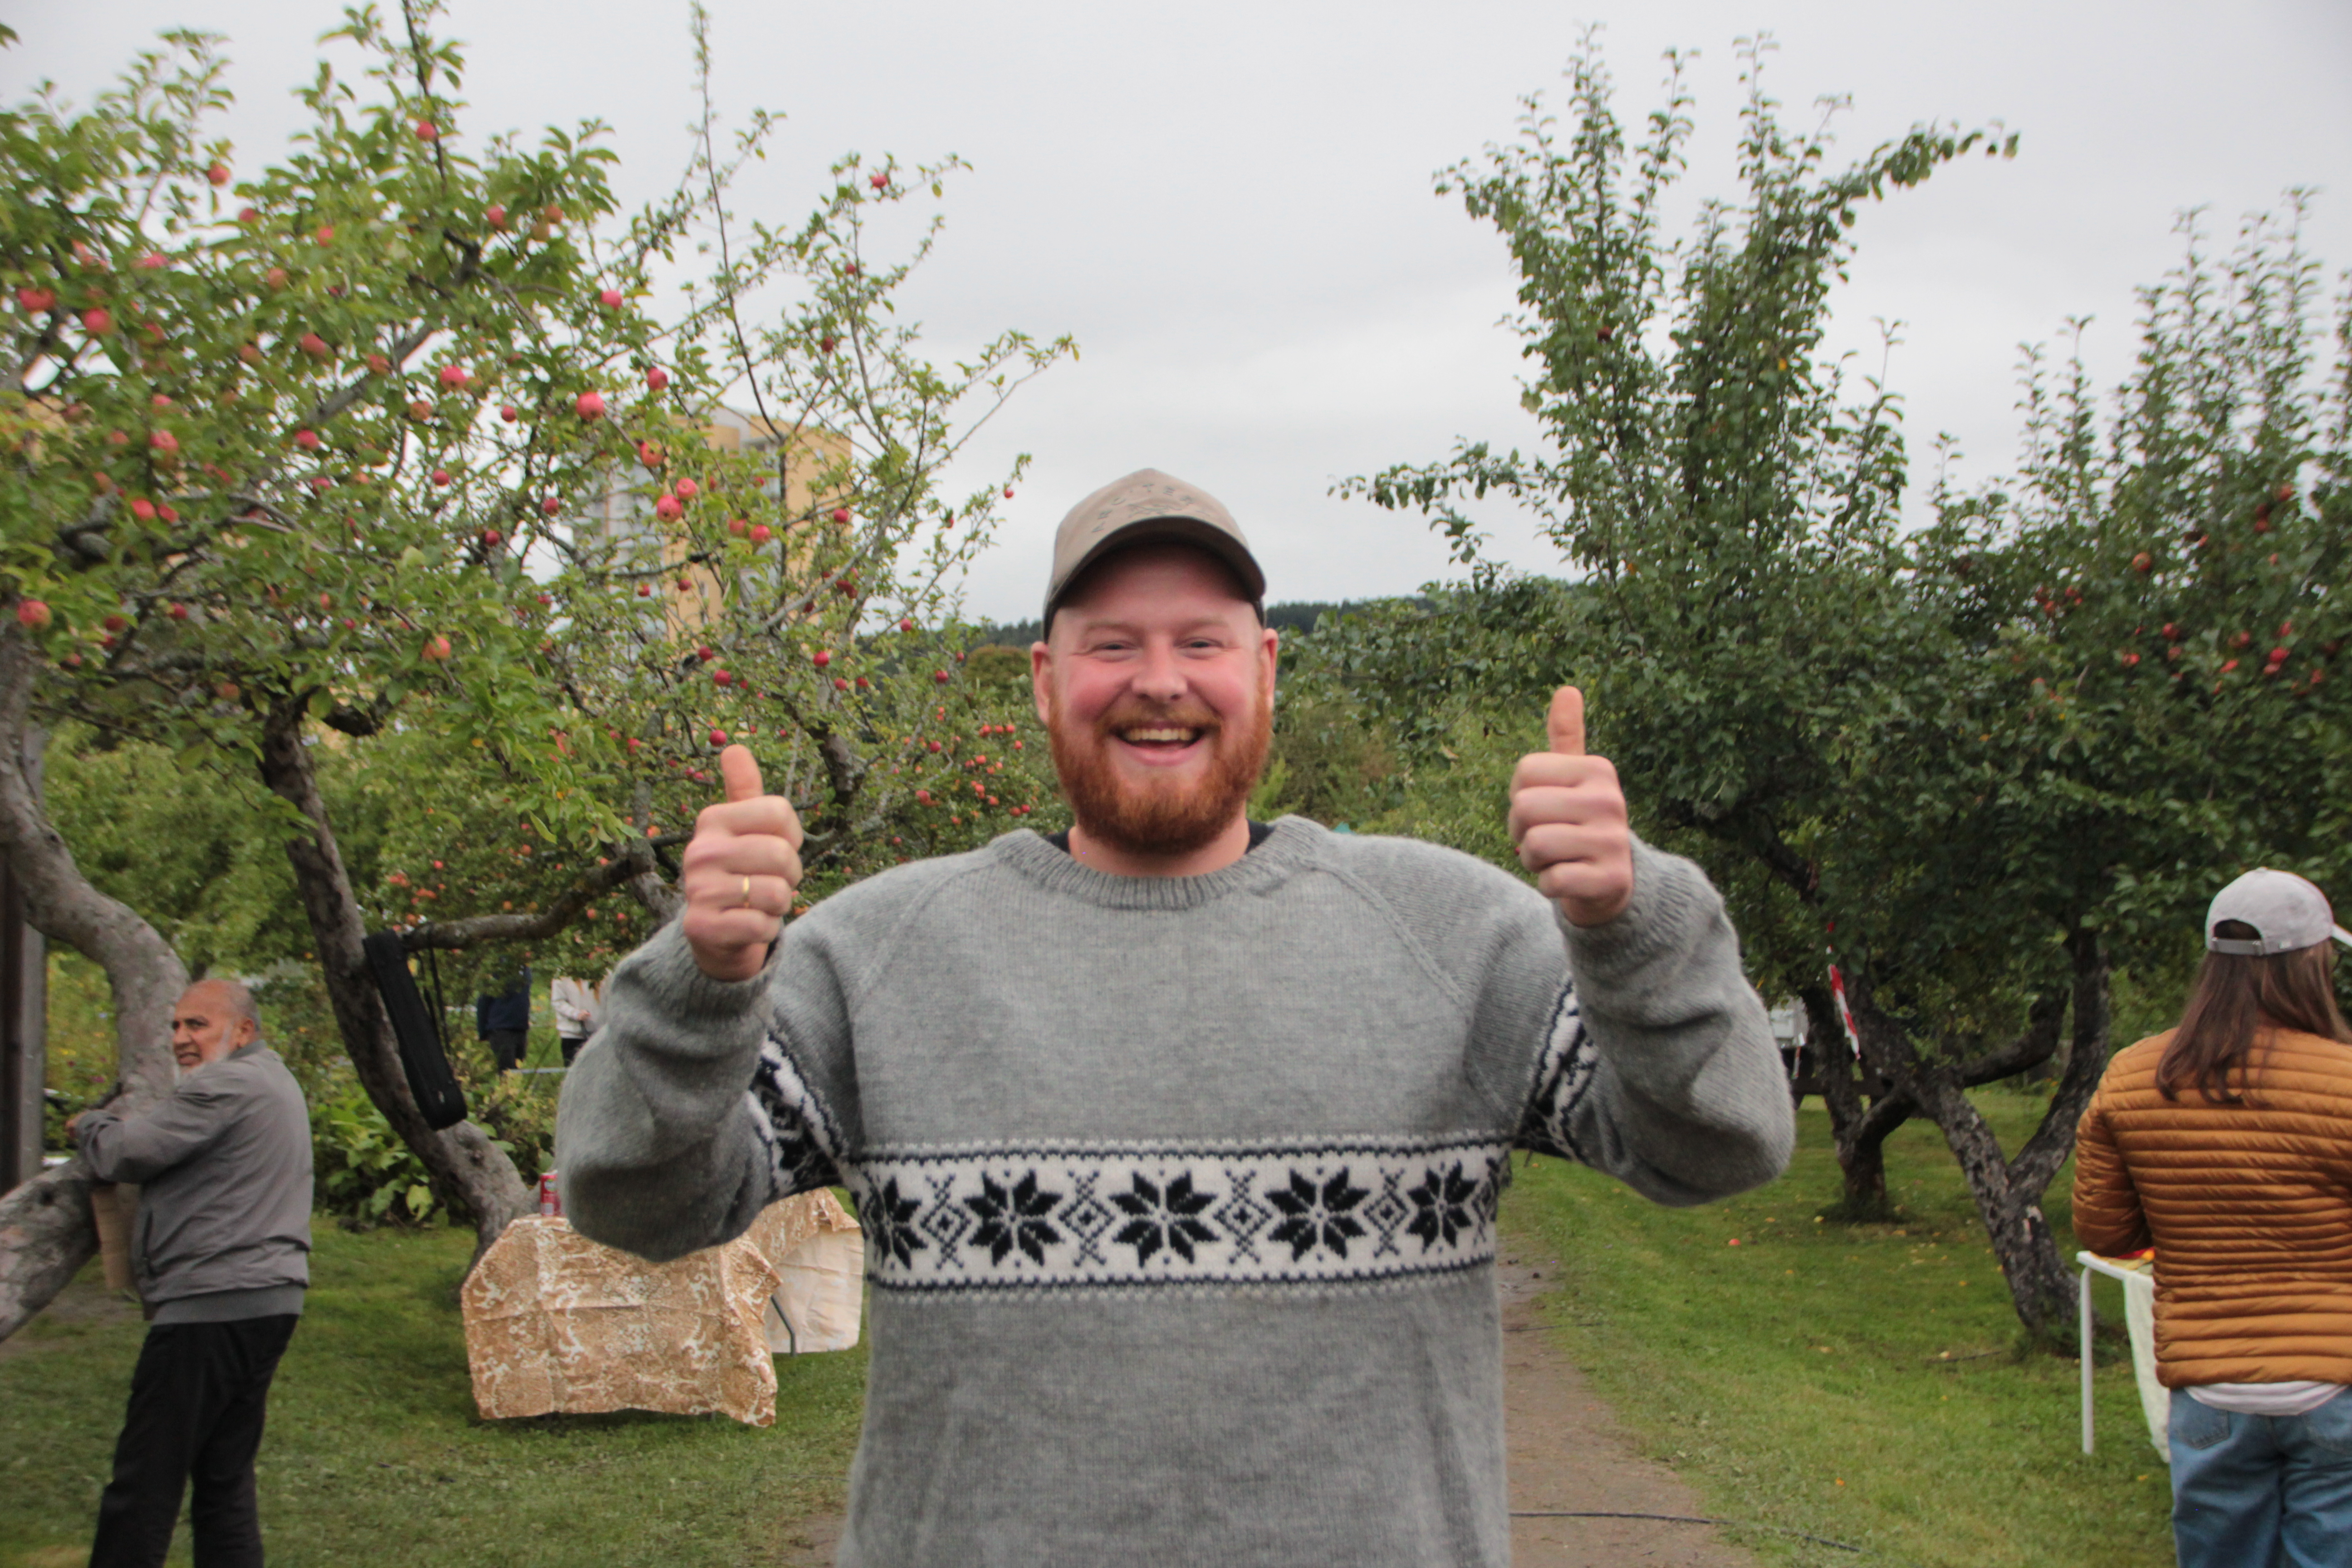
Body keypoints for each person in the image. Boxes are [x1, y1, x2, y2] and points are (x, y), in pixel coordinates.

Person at [556, 468, 1795, 1566]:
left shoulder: (1459, 938)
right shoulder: (879, 956)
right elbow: (638, 1207)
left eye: (1202, 641)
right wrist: (703, 980)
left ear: (1265, 670)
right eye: (1113, 645)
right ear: (1045, 681)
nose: (1159, 682)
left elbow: (1723, 1144)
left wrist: (1638, 925)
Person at [2074, 868, 2352, 1568]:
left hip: (2210, 1387)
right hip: (2335, 1381)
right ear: (2314, 966)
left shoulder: (2135, 1077)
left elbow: (2108, 1235)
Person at [70, 978, 312, 1568]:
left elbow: (126, 1153)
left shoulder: (227, 1084)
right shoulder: (274, 1079)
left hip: (212, 1305)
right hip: (267, 1301)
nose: (181, 1038)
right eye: (177, 1026)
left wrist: (89, 1126)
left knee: (143, 1484)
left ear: (244, 1030)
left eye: (197, 1025)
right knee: (223, 1481)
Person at [474, 964, 531, 1072]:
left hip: (520, 1028)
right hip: (501, 1028)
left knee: (519, 1070)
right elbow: (484, 1001)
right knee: (507, 1071)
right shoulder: (498, 968)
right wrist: (482, 1031)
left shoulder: (526, 970)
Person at [550, 974, 603, 1067]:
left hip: (600, 1034)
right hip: (573, 1035)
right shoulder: (562, 974)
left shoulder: (604, 972)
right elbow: (558, 1002)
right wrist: (575, 1014)